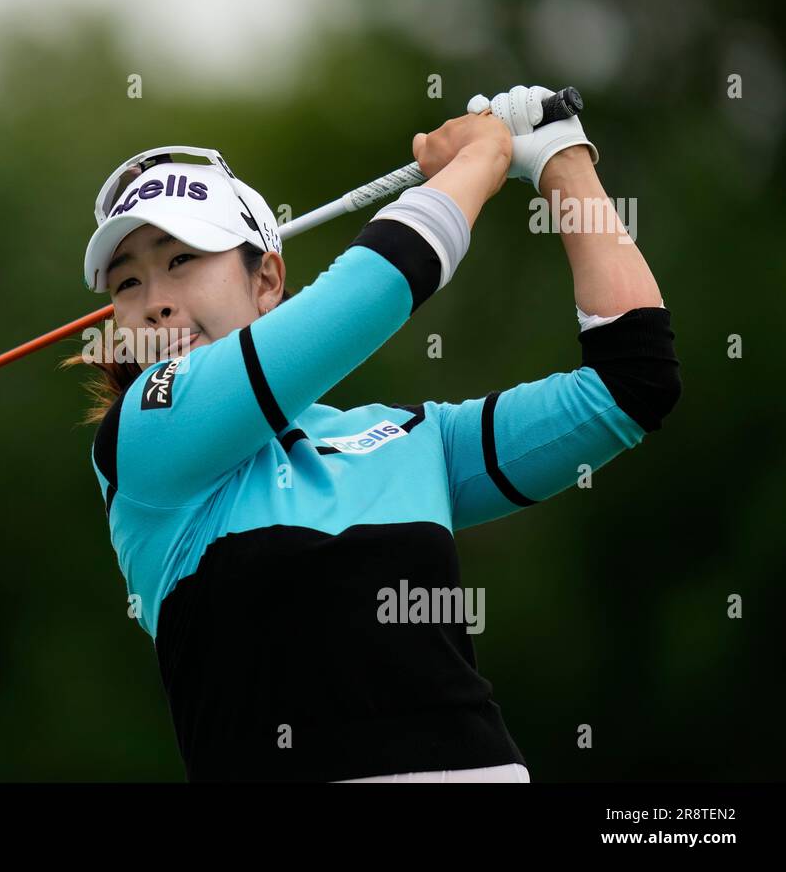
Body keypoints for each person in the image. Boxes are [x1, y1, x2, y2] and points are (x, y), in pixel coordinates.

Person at [63, 87, 681, 782]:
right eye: (126, 283)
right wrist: (478, 158)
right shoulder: (142, 439)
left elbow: (631, 385)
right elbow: (373, 291)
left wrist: (561, 161)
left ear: (266, 279)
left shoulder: (412, 437)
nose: (156, 302)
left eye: (181, 260)